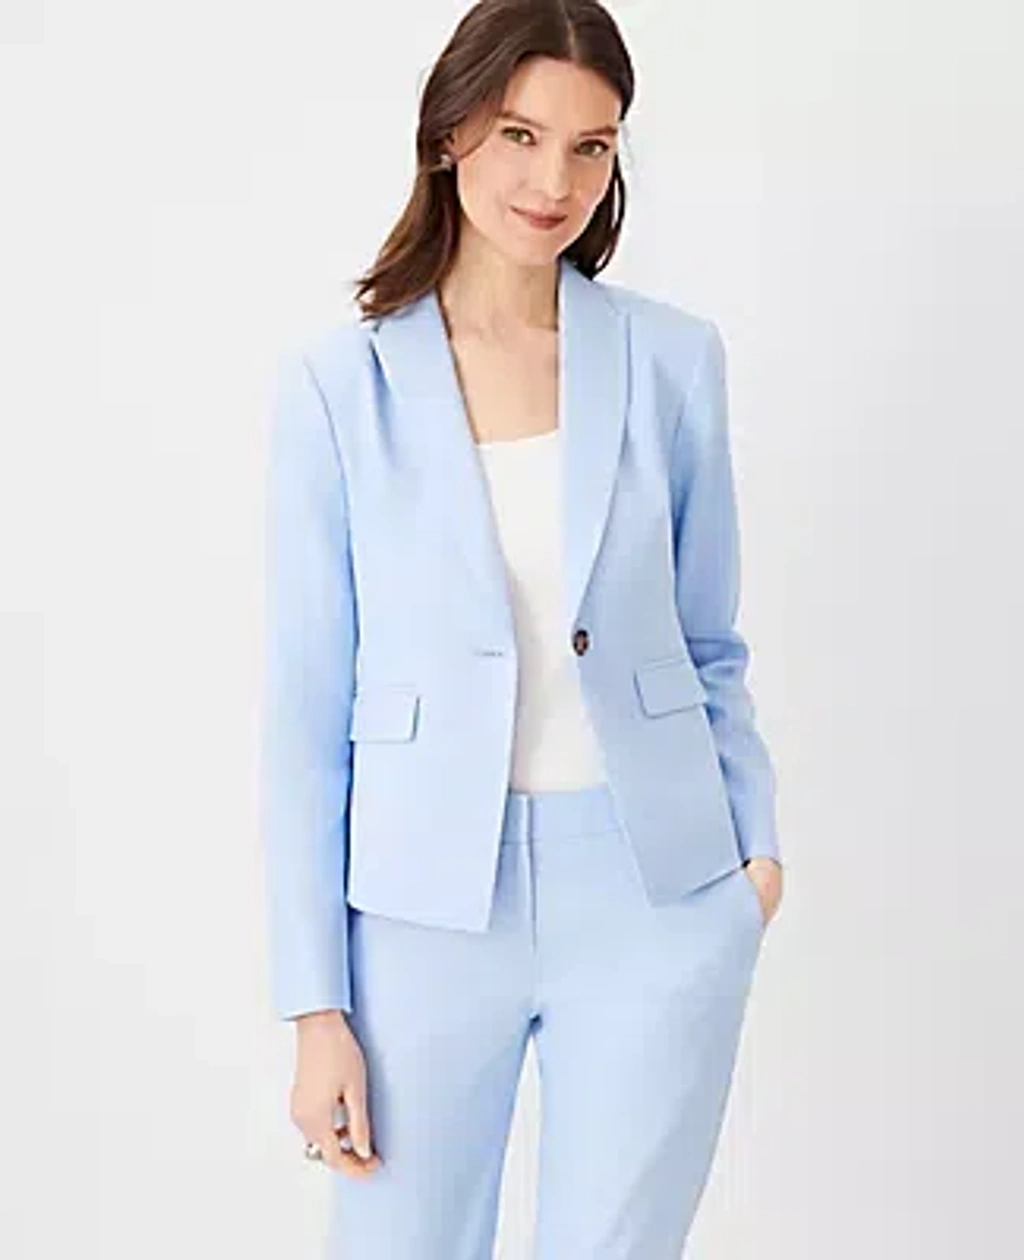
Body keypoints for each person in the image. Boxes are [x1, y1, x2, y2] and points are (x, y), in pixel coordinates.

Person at [259, 1, 784, 1255]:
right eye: (520, 135)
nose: (554, 183)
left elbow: (708, 641)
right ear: (450, 132)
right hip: (420, 912)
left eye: (591, 147)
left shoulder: (672, 361)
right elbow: (305, 709)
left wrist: (750, 863)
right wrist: (314, 1006)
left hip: (656, 891)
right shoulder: (340, 387)